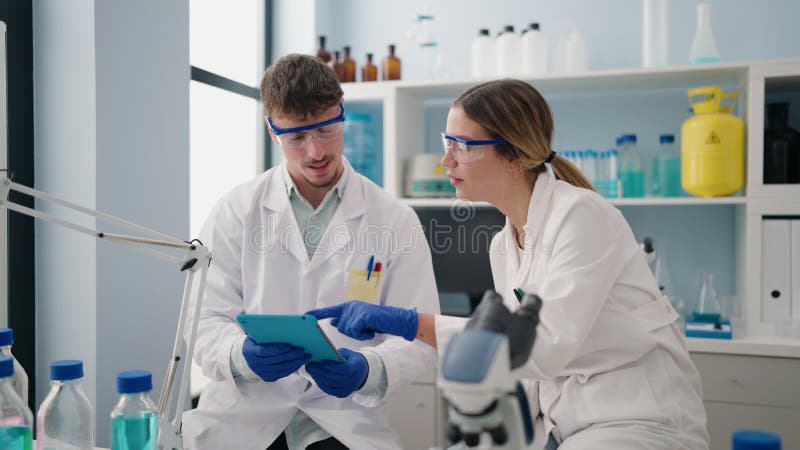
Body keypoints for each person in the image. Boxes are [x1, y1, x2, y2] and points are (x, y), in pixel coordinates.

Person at [308, 79, 710, 450]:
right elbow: (518, 362)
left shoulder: (582, 216)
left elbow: (541, 347)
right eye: (446, 142)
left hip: (639, 422)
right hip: (565, 426)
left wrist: (410, 323)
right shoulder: (503, 245)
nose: (446, 162)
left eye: (462, 147)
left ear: (513, 156)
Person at [181, 54, 439, 450]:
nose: (316, 152)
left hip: (344, 421)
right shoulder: (235, 210)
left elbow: (421, 335)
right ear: (272, 130)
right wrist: (240, 356)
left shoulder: (394, 219)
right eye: (297, 137)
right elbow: (202, 320)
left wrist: (369, 368)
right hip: (245, 421)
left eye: (326, 130)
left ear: (341, 114)